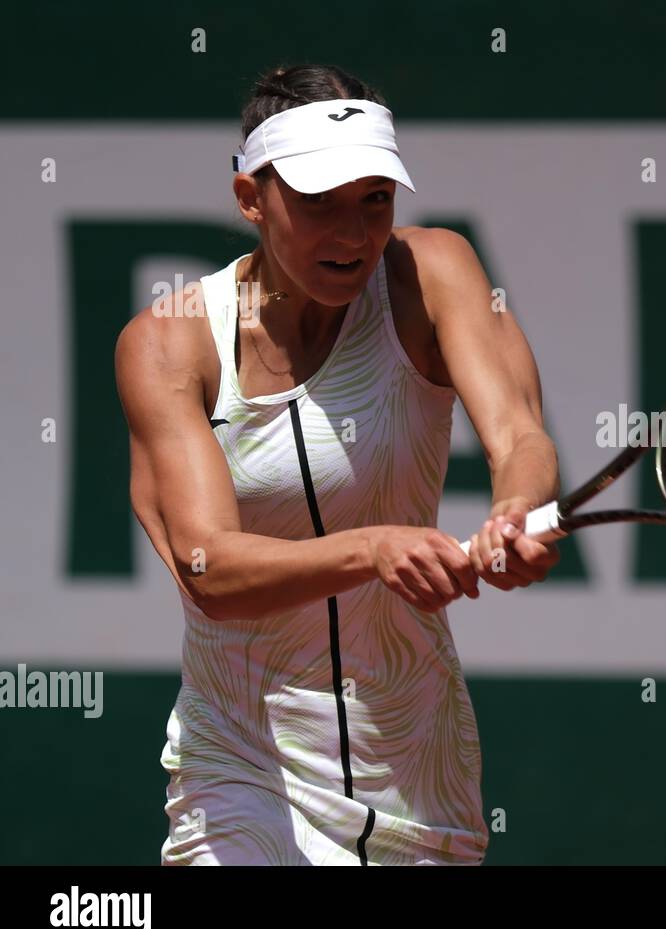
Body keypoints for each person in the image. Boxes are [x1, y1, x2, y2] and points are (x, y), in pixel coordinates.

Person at [113, 63, 561, 865]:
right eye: (318, 204)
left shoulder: (433, 274)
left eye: (375, 201)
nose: (352, 236)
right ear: (251, 198)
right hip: (239, 765)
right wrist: (374, 548)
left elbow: (520, 435)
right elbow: (207, 569)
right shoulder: (170, 341)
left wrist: (515, 511)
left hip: (414, 765)